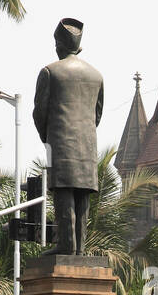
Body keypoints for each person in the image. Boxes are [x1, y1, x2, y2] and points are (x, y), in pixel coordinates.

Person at [33, 17, 104, 256]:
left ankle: (65, 246)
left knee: (64, 195)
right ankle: (79, 249)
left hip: (61, 145)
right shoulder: (96, 76)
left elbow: (39, 113)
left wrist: (48, 139)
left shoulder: (50, 72)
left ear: (58, 45)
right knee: (82, 196)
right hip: (87, 147)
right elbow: (97, 114)